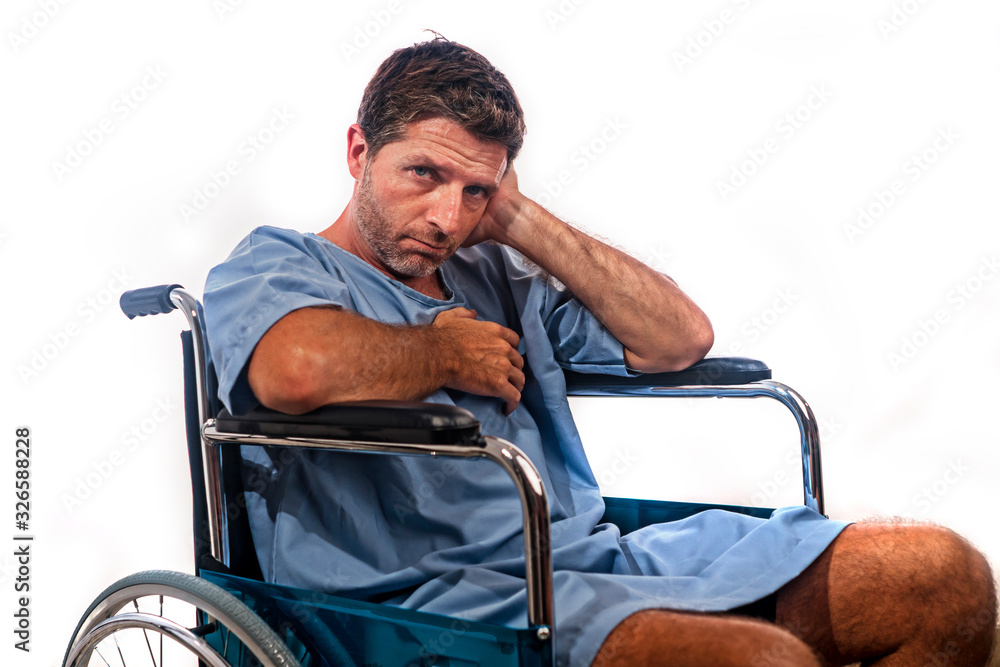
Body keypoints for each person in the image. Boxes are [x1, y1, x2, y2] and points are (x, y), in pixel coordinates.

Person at [203, 35, 997, 666]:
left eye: (475, 189)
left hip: (593, 561)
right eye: (425, 173)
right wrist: (444, 355)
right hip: (435, 603)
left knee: (943, 580)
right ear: (357, 151)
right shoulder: (277, 264)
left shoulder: (493, 271)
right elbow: (292, 367)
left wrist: (517, 219)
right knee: (763, 661)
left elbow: (677, 337)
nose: (448, 217)